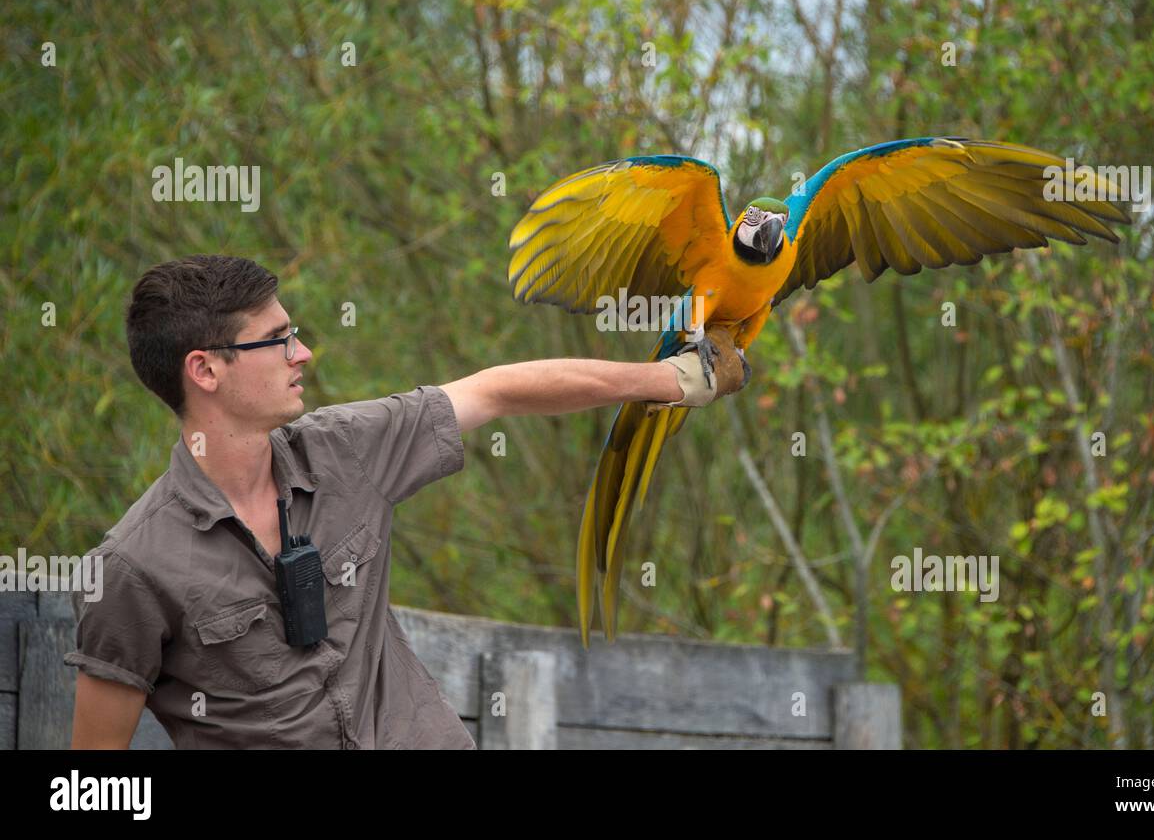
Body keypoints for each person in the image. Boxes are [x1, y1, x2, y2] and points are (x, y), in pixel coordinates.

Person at [65, 254, 747, 749]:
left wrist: (675, 376)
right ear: (205, 369)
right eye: (278, 340)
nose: (304, 352)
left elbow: (499, 388)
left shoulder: (348, 451)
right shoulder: (134, 566)